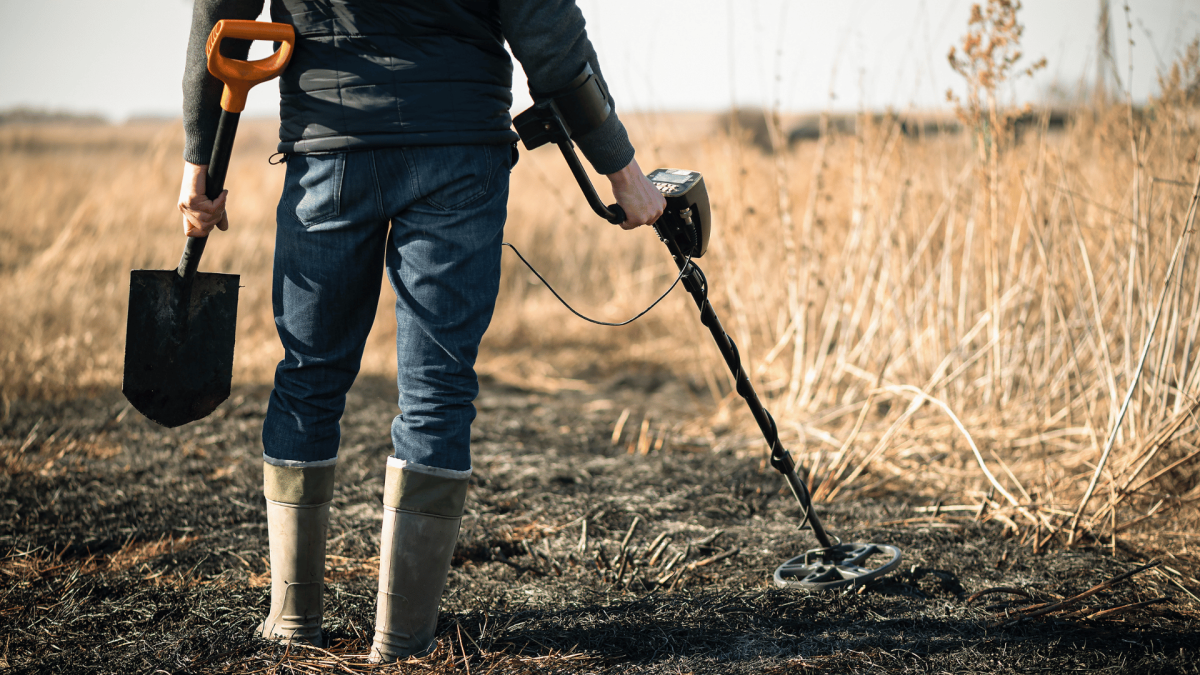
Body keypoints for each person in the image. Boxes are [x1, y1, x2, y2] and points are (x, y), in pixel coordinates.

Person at [178, 0, 665, 663]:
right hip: (457, 152)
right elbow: (549, 37)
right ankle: (404, 643)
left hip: (329, 151)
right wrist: (623, 171)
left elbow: (220, 14)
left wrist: (197, 161)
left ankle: (293, 621)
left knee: (307, 376)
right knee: (436, 391)